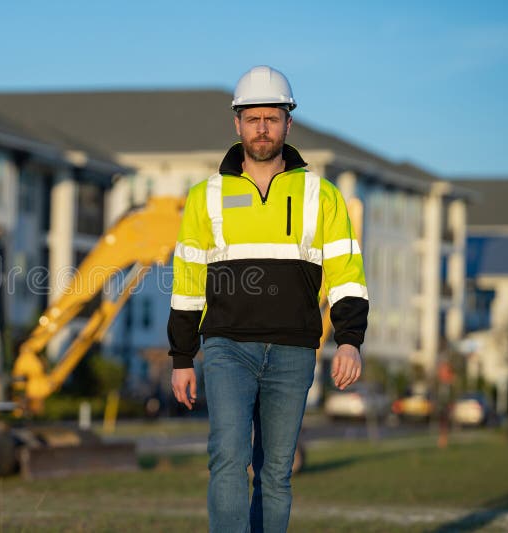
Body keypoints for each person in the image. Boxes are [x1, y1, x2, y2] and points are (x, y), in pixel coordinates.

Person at [167, 65, 369, 532]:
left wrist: (350, 339)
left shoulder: (322, 195)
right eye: (253, 118)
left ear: (288, 124)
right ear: (236, 123)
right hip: (226, 348)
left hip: (293, 350)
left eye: (271, 118)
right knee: (228, 460)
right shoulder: (206, 196)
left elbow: (346, 272)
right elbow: (188, 281)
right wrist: (182, 356)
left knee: (276, 474)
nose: (262, 128)